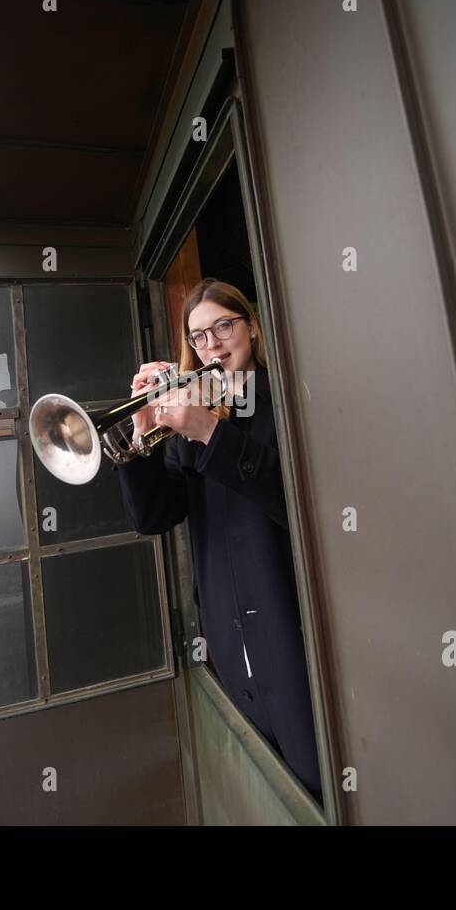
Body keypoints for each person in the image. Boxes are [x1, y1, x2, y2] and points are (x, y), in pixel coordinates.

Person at [112, 278, 322, 801]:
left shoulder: (288, 399)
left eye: (223, 326)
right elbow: (157, 516)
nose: (213, 344)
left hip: (294, 630)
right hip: (230, 643)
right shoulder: (192, 416)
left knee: (318, 778)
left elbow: (298, 506)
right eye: (198, 336)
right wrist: (140, 438)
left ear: (249, 324)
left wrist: (210, 432)